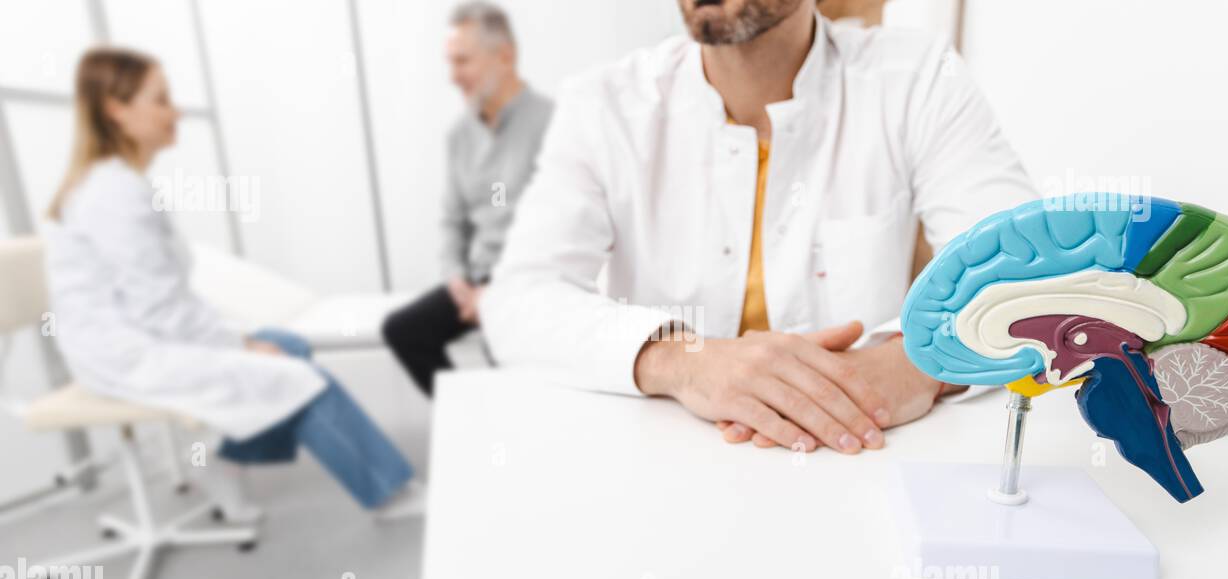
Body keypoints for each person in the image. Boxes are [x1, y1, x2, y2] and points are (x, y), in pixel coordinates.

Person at [482, 0, 1037, 454]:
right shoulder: (603, 105)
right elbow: (519, 301)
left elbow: (1032, 276)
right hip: (668, 466)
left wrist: (922, 364)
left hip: (868, 457)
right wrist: (679, 361)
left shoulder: (916, 79)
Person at [44, 48, 422, 522]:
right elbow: (161, 313)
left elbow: (166, 298)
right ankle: (391, 494)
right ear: (117, 110)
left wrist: (243, 341)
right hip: (126, 353)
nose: (174, 111)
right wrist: (239, 345)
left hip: (137, 335)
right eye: (161, 100)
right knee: (303, 379)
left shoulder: (119, 185)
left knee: (287, 343)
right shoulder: (113, 196)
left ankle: (225, 460)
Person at [382, 1, 553, 395]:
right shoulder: (459, 135)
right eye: (449, 63)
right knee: (404, 330)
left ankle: (507, 433)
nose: (453, 77)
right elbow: (452, 220)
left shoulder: (552, 124)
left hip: (530, 279)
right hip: (475, 276)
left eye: (463, 62)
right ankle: (471, 421)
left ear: (505, 56)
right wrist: (455, 276)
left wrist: (496, 293)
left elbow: (556, 229)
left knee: (505, 349)